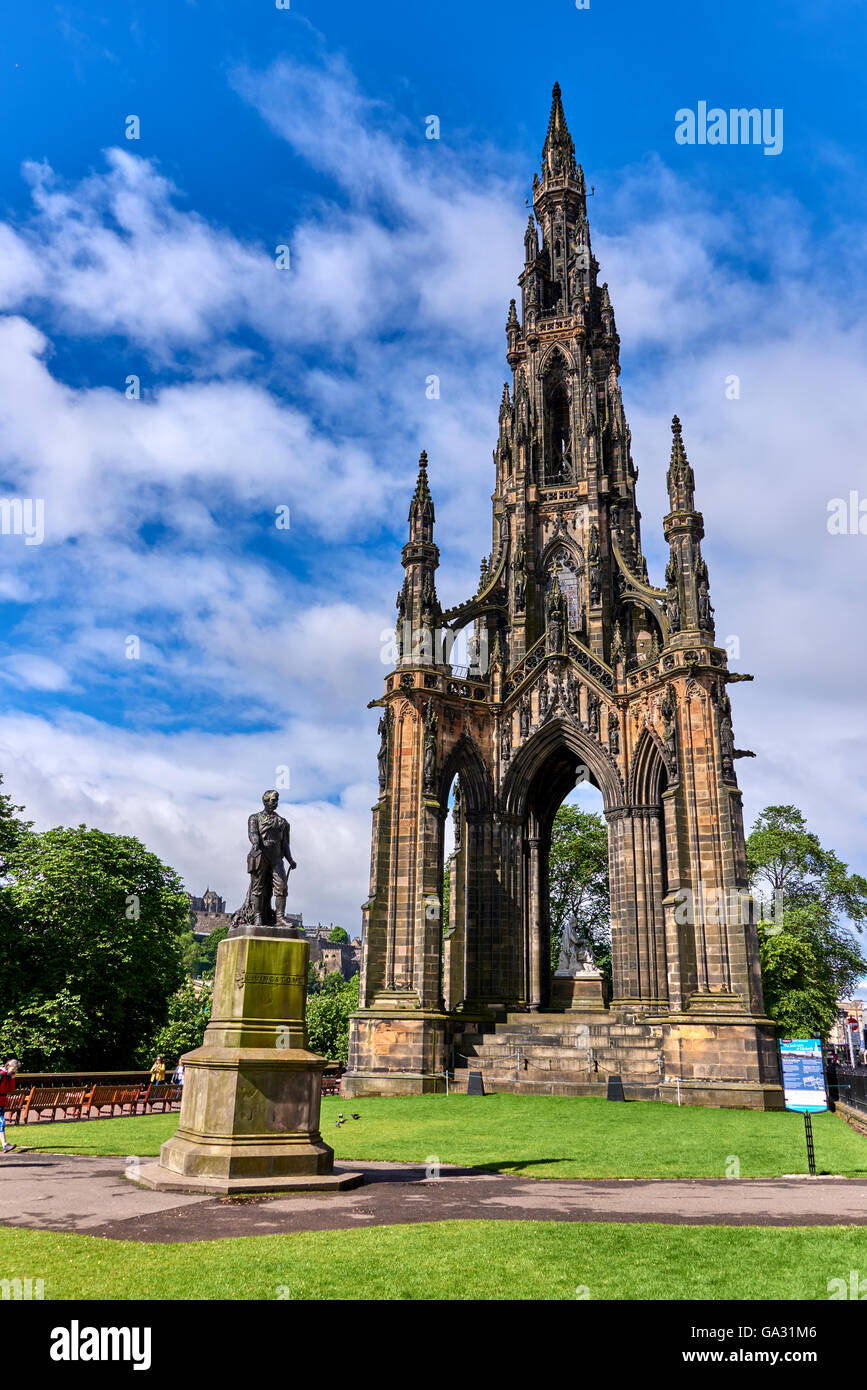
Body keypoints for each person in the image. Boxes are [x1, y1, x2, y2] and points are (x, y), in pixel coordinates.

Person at [0, 1059, 19, 1153]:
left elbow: (10, 1089)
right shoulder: (1, 1074)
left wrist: (12, 1079)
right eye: (13, 1068)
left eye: (15, 1069)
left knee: (1, 1123)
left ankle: (4, 1145)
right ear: (7, 1066)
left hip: (2, 1102)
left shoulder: (7, 1076)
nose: (14, 1071)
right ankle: (4, 1145)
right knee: (1, 1122)